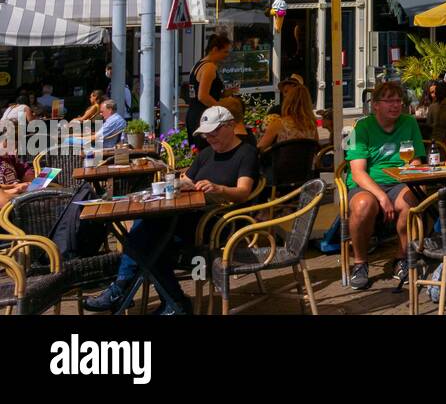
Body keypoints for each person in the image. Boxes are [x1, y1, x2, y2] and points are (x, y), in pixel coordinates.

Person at [85, 105, 259, 314]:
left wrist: (219, 188)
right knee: (147, 232)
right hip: (190, 216)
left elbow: (243, 192)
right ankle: (171, 303)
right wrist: (179, 184)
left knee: (148, 236)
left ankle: (127, 291)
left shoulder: (245, 152)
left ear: (230, 126)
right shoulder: (206, 154)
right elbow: (185, 179)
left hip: (218, 222)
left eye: (214, 132)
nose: (210, 138)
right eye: (206, 134)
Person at [344, 81, 424, 292]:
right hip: (368, 184)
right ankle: (360, 263)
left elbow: (417, 160)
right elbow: (358, 172)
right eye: (389, 100)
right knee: (362, 206)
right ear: (375, 105)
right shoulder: (360, 127)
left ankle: (401, 258)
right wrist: (381, 196)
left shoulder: (409, 123)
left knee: (410, 202)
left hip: (400, 181)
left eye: (398, 100)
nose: (396, 105)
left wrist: (413, 168)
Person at [187, 34, 232, 150]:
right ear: (215, 49)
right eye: (225, 52)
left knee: (199, 153)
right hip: (204, 116)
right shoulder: (209, 67)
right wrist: (222, 110)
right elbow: (203, 96)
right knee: (208, 152)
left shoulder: (198, 64)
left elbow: (204, 92)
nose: (226, 56)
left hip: (193, 112)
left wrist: (226, 93)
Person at [257, 82, 317, 153]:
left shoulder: (279, 124)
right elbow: (316, 146)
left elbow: (260, 148)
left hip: (283, 163)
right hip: (308, 164)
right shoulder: (311, 124)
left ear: (288, 102)